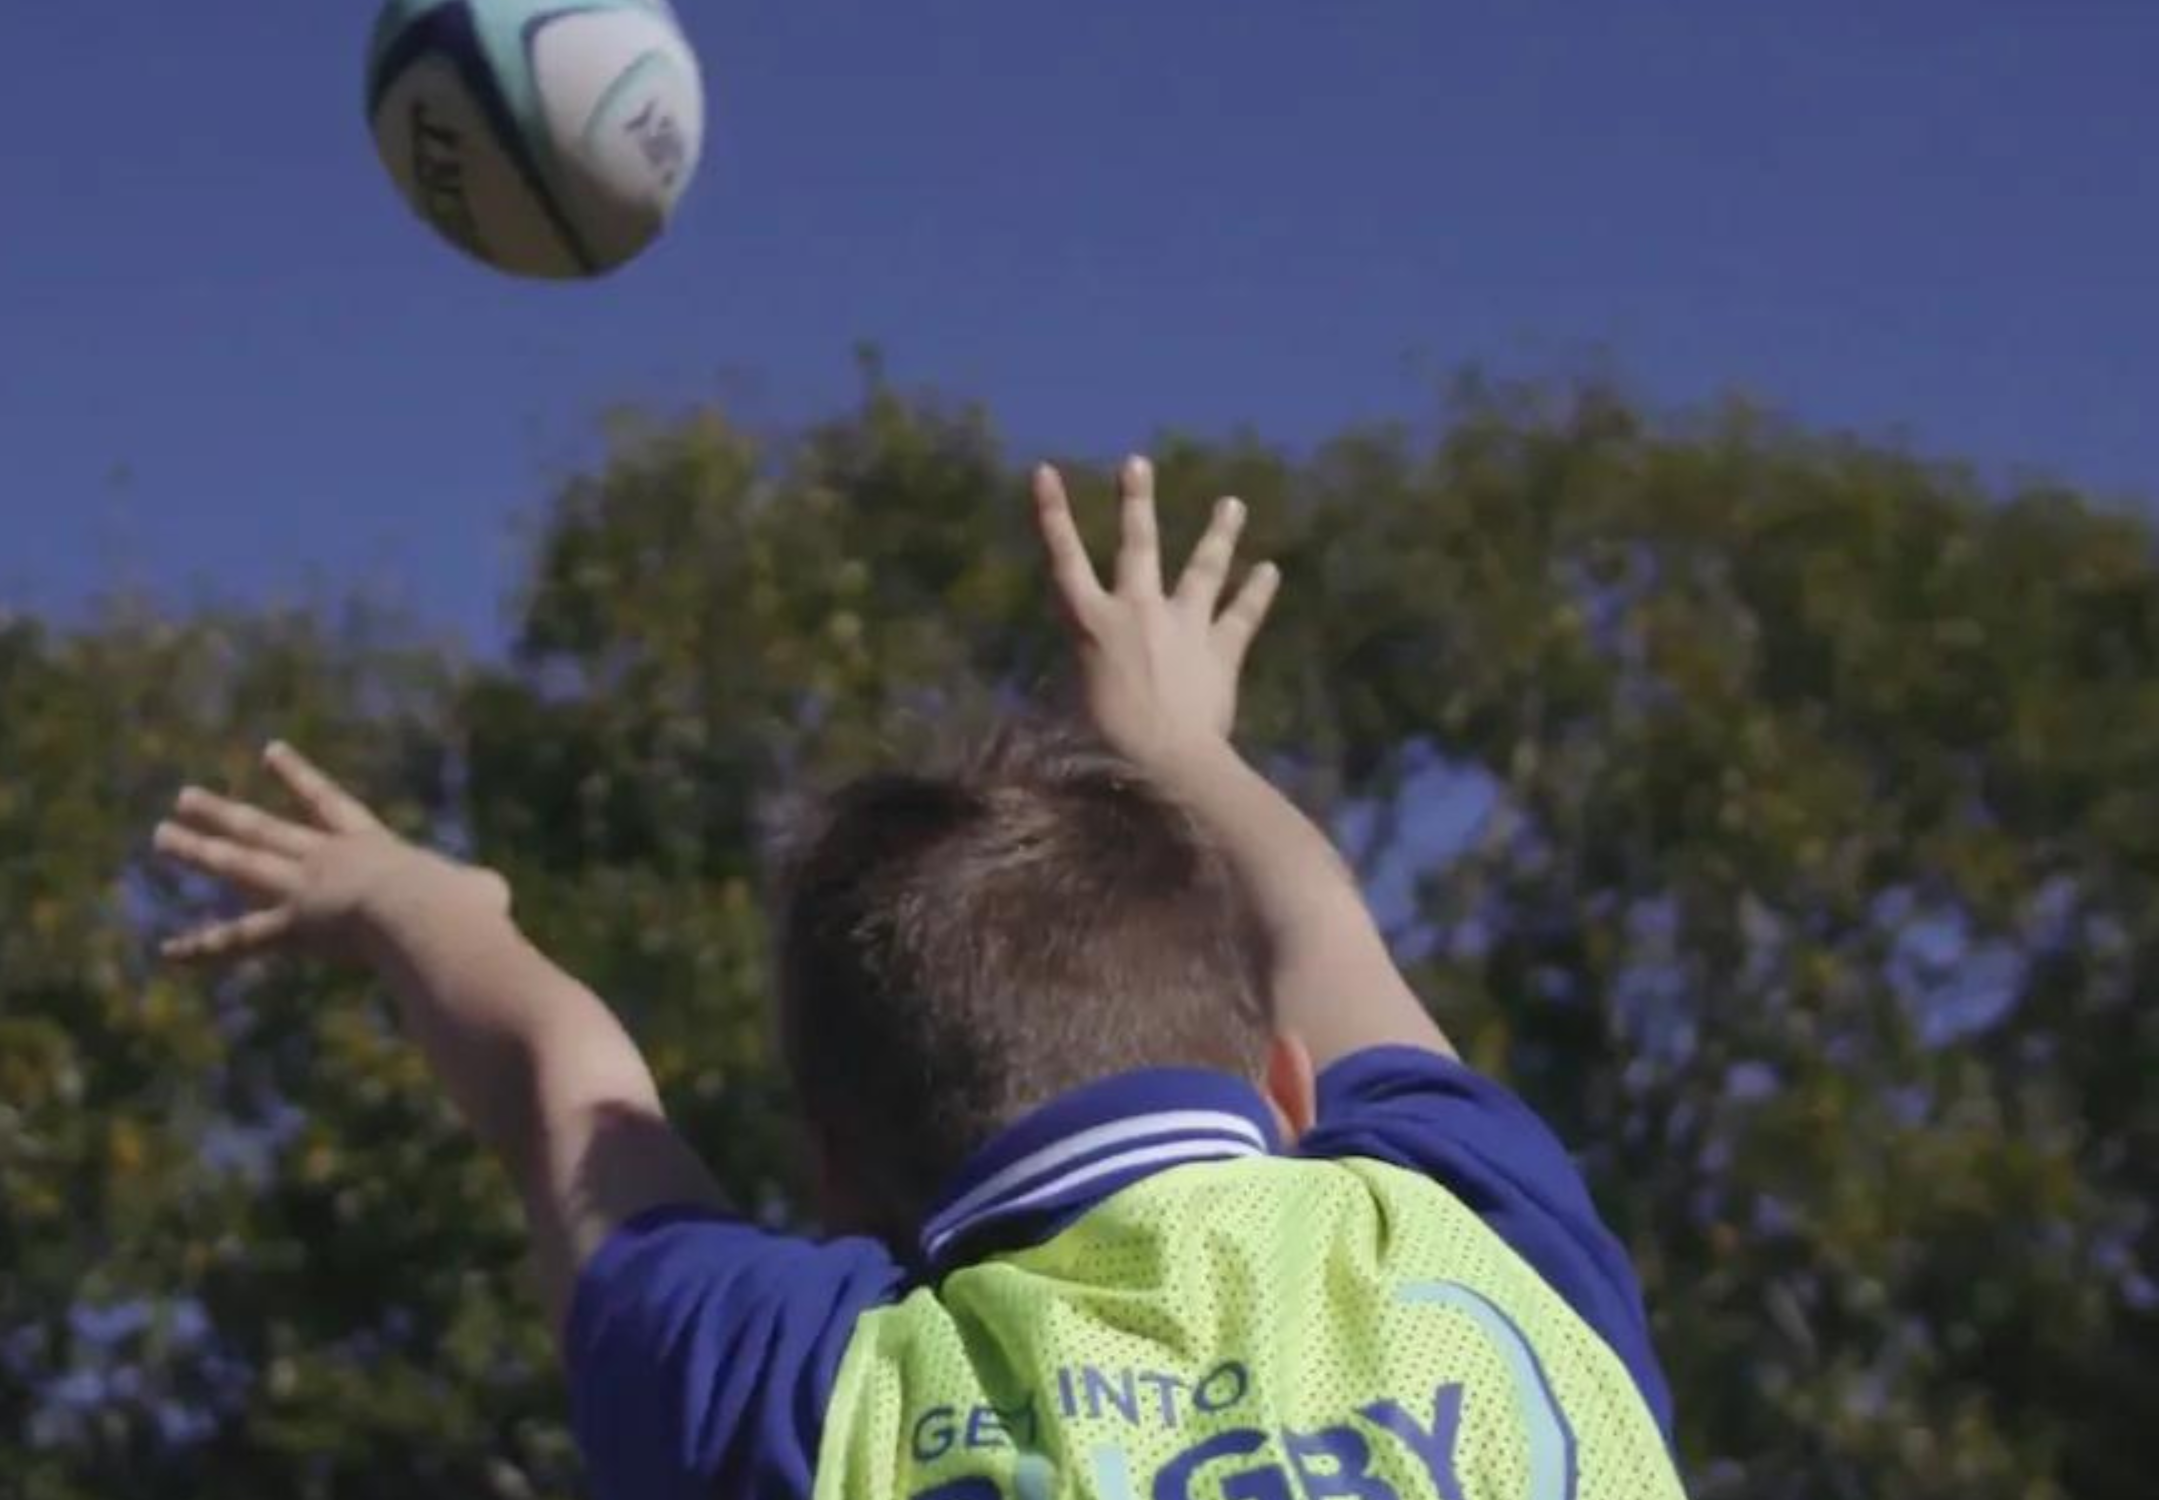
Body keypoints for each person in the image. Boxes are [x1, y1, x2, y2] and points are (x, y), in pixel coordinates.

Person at [153, 458, 1687, 1500]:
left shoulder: (806, 1399)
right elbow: (1324, 928)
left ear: (836, 1189)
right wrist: (1176, 744)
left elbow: (569, 1088)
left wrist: (424, 907)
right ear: (1289, 1088)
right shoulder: (1471, 1235)